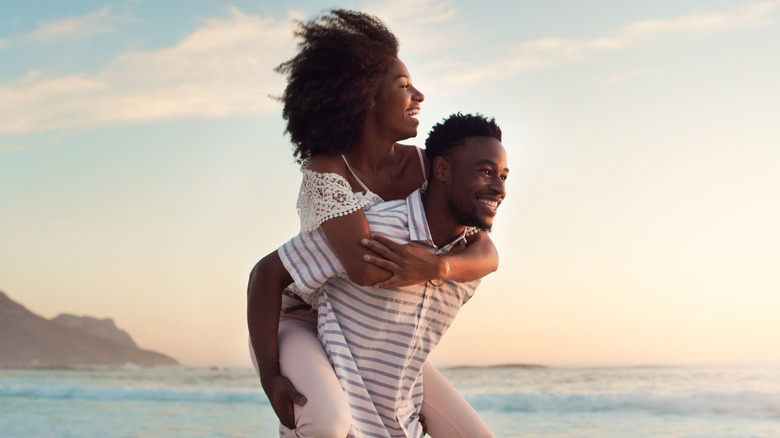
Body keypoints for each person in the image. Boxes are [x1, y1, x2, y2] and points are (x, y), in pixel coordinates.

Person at [249, 9, 497, 437]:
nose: (419, 95)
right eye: (403, 86)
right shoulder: (328, 171)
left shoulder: (427, 167)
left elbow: (485, 250)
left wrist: (439, 267)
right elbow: (363, 269)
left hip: (369, 332)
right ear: (365, 96)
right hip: (302, 320)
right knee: (327, 421)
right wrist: (270, 377)